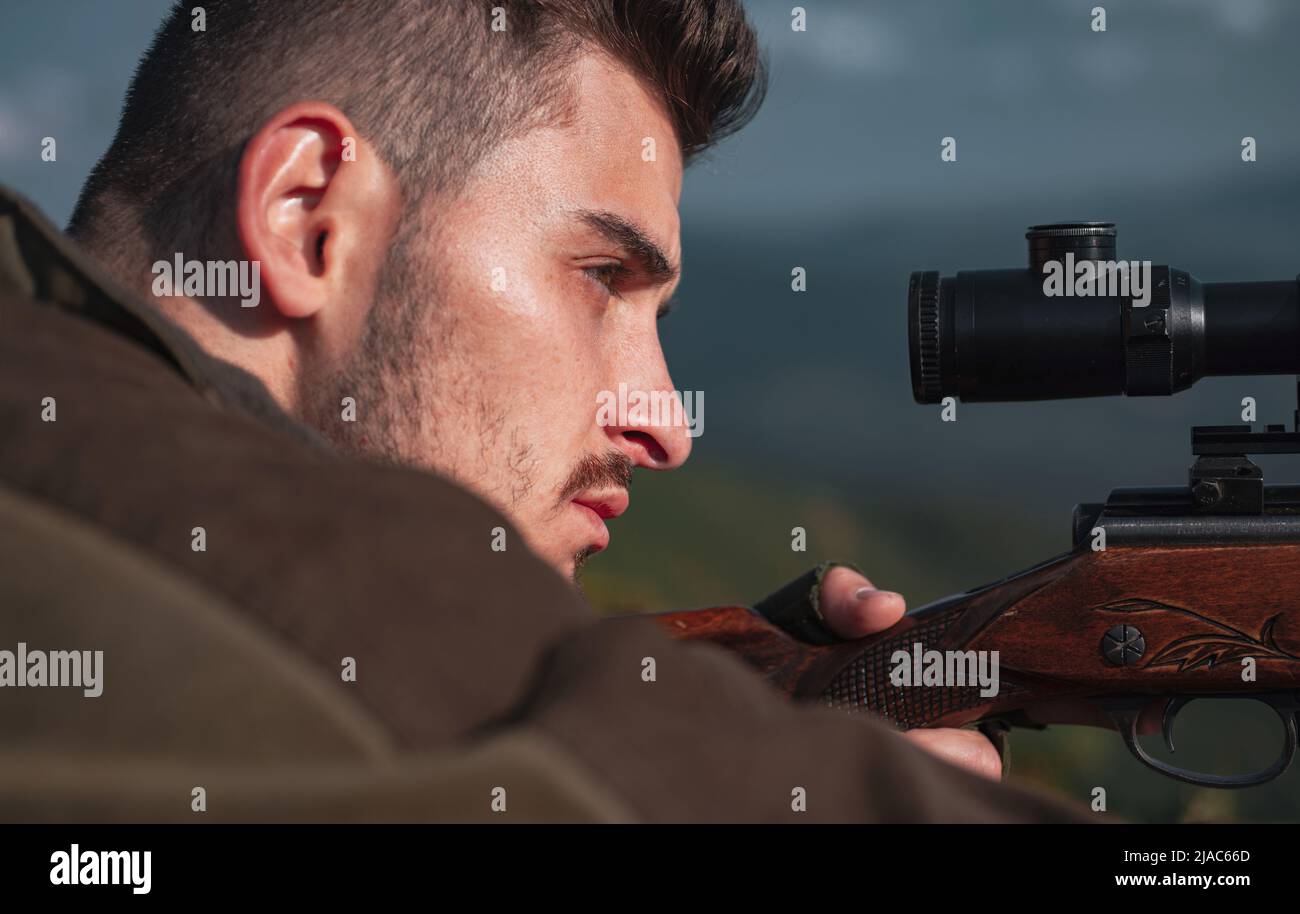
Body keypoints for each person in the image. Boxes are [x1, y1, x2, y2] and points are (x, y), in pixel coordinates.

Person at [0, 0, 1090, 822]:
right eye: (601, 275)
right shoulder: (289, 589)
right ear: (306, 218)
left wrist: (751, 699)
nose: (668, 421)